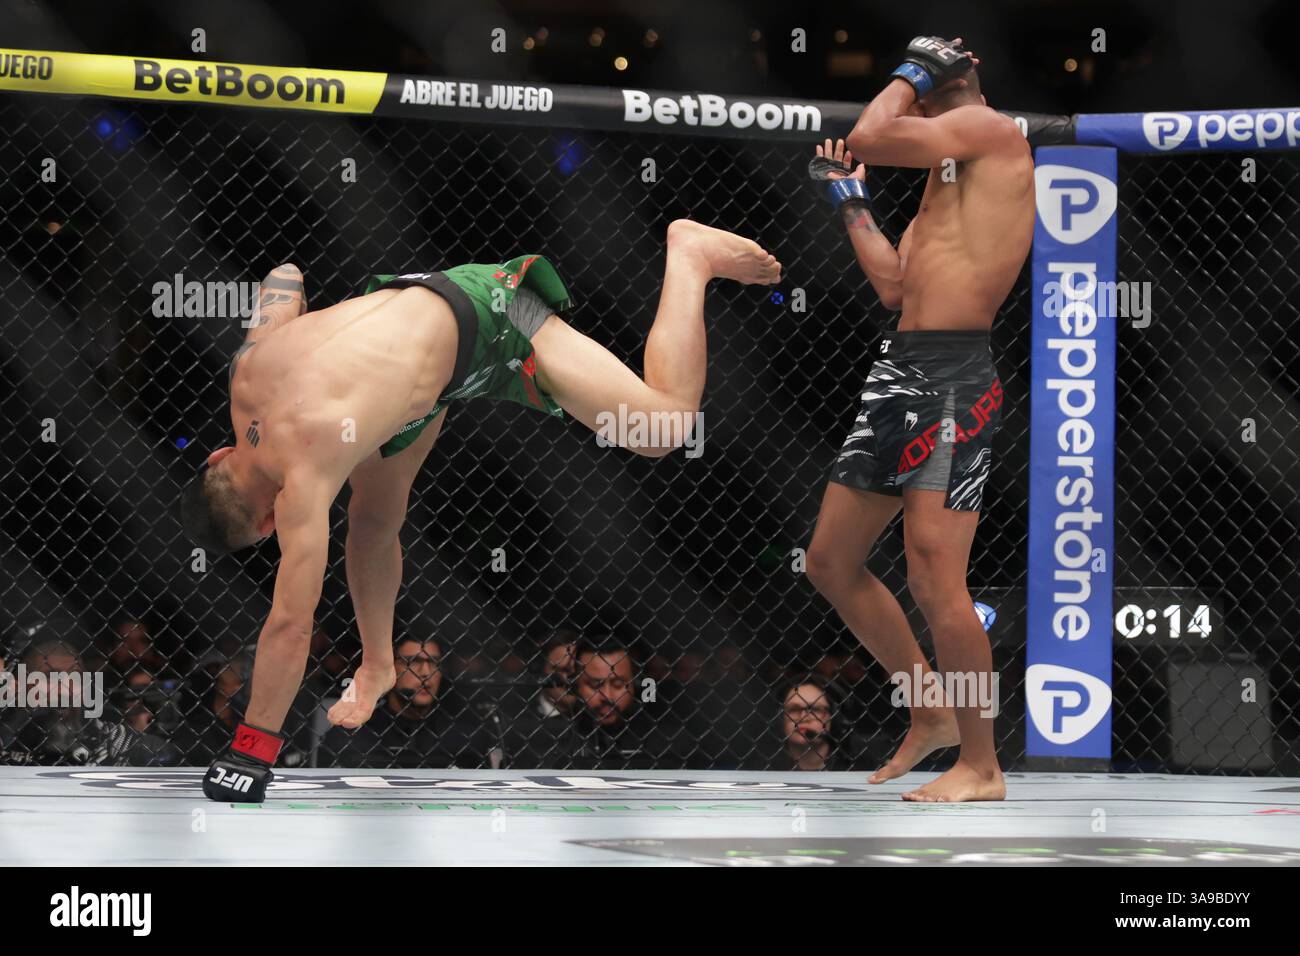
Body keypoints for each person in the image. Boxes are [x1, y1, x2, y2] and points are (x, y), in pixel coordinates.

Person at [180, 221, 780, 801]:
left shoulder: (300, 485)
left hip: (497, 312)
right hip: (412, 312)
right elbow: (283, 278)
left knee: (664, 426)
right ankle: (378, 665)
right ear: (216, 455)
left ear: (268, 523)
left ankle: (690, 256)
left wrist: (250, 752)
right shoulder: (246, 371)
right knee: (373, 518)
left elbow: (291, 623)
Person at [804, 36, 1033, 802]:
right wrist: (851, 201)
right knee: (830, 560)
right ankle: (929, 707)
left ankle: (982, 765)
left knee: (937, 576)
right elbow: (896, 287)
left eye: (923, 81)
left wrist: (907, 72)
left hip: (954, 376)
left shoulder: (992, 133)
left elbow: (870, 132)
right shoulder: (947, 170)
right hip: (899, 368)